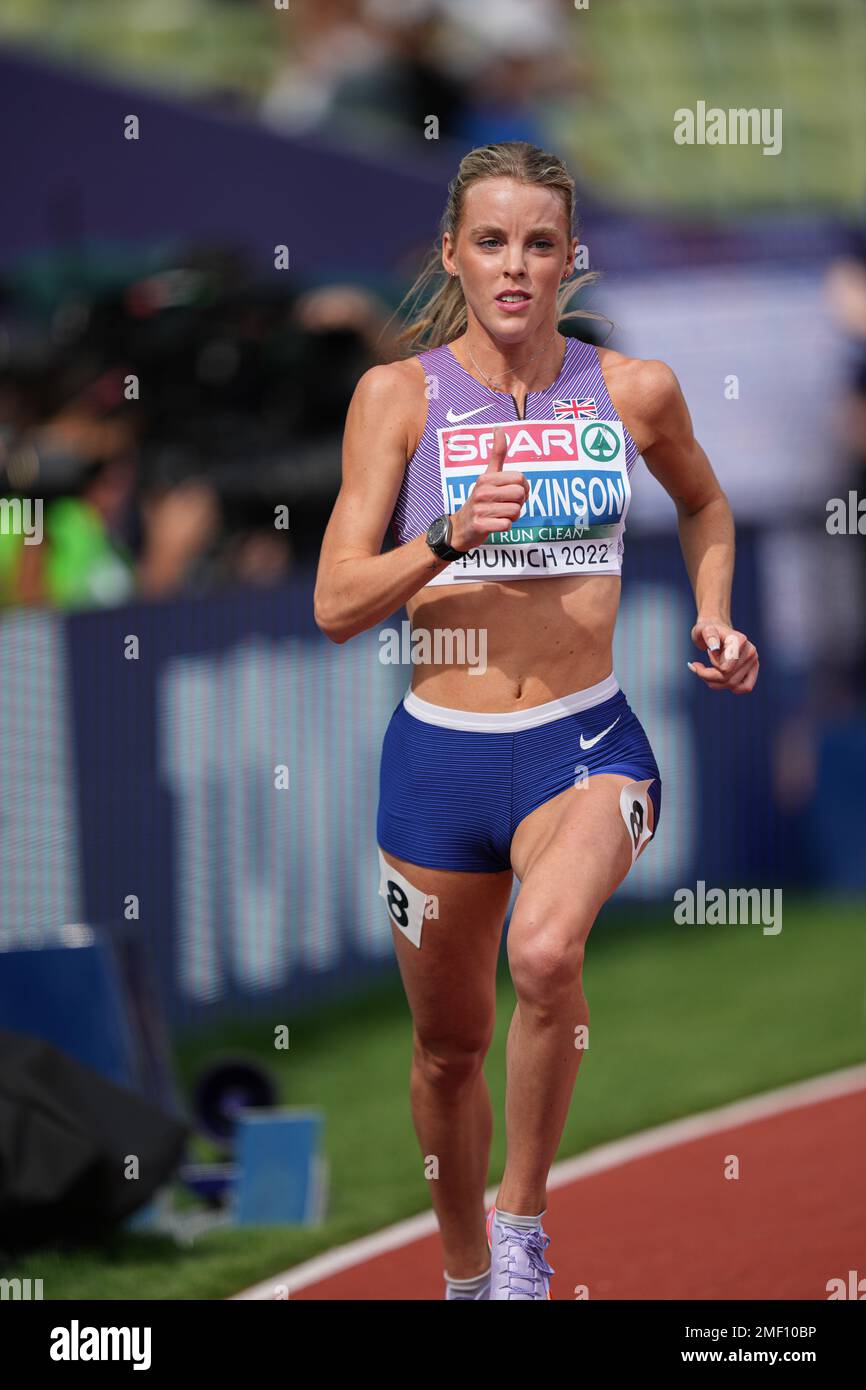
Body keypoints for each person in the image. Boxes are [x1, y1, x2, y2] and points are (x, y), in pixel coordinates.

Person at [314, 141, 759, 1301]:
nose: (516, 266)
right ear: (453, 254)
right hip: (437, 763)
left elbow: (706, 503)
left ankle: (519, 1233)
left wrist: (712, 615)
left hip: (584, 743)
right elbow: (333, 604)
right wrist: (450, 535)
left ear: (573, 259)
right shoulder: (395, 398)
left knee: (547, 952)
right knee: (445, 1049)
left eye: (540, 244)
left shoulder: (631, 389)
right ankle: (465, 1275)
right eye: (493, 242)